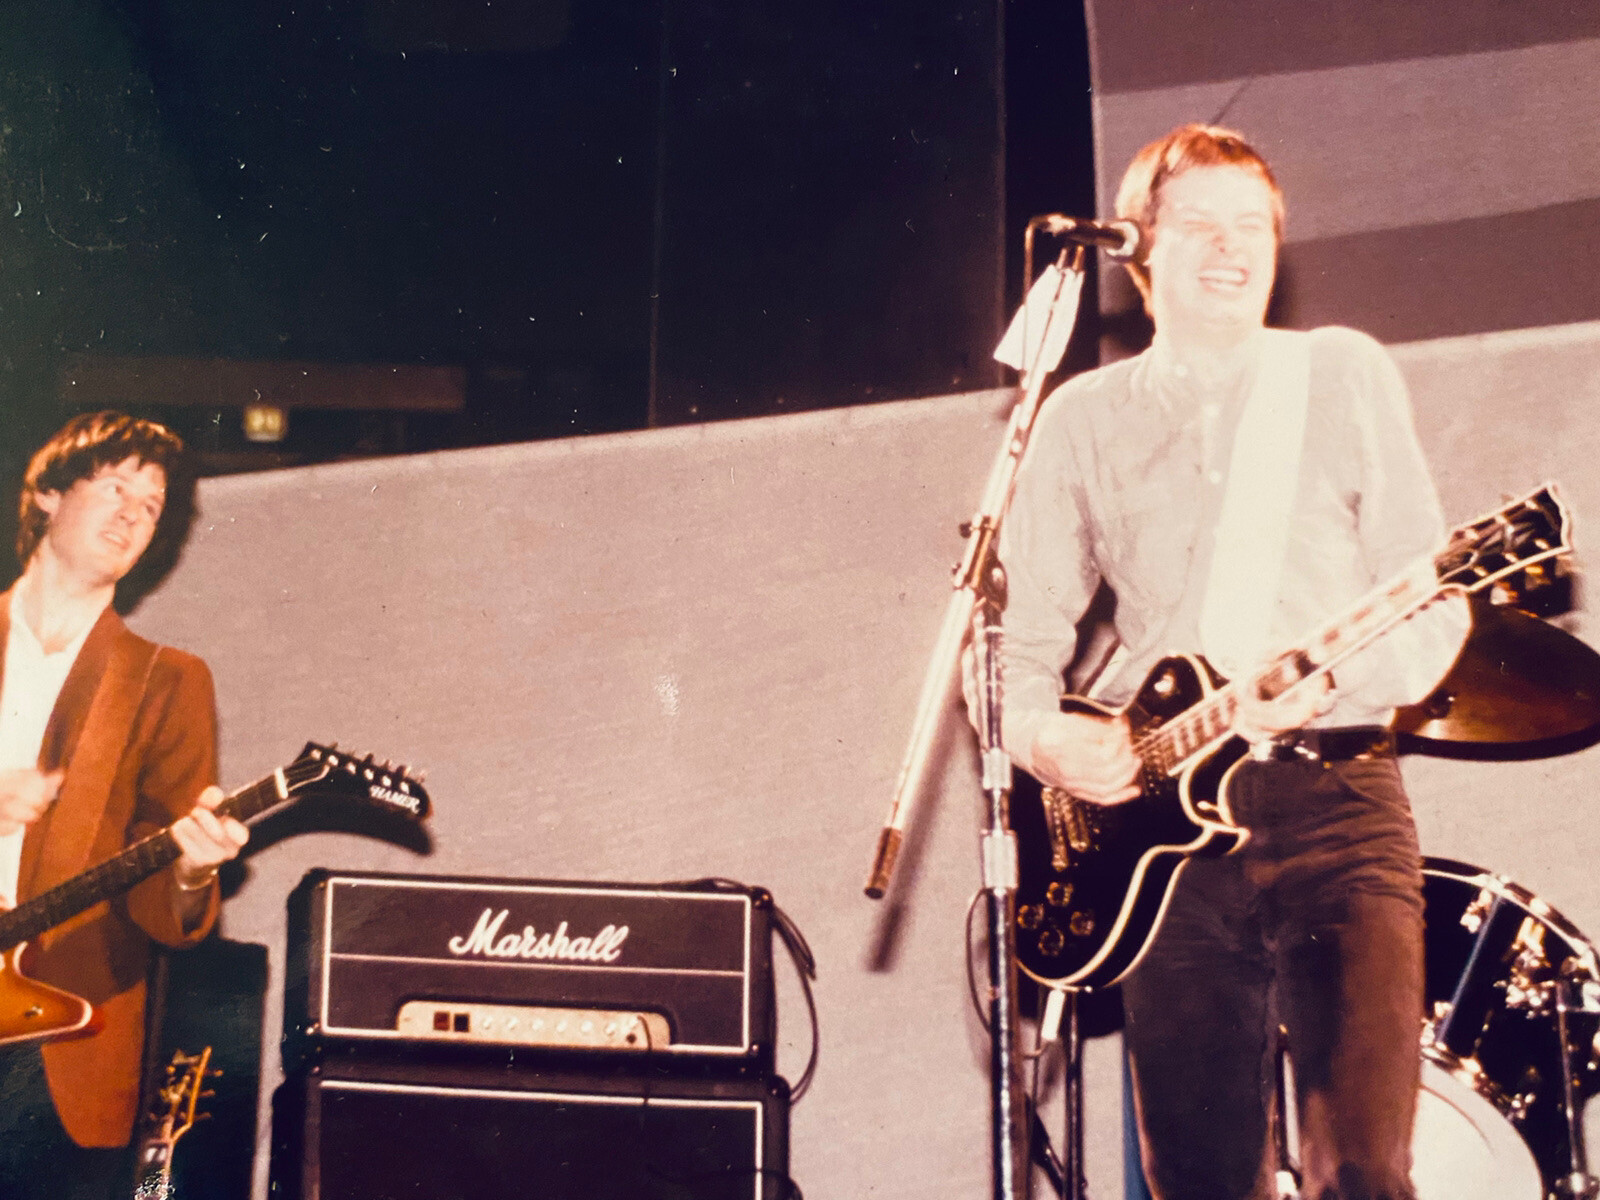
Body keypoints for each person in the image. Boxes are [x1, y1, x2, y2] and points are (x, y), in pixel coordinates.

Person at [994, 125, 1470, 1200]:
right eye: (1200, 226)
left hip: (1337, 805)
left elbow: (1434, 606)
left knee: (1364, 1171)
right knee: (1200, 1182)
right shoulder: (1080, 419)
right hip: (1159, 845)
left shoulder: (1337, 372)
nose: (1231, 248)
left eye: (1251, 226)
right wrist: (1044, 737)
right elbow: (1016, 648)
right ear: (1139, 250)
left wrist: (1336, 681)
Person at [0, 411, 249, 1198]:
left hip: (62, 1043)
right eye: (115, 488)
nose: (133, 515)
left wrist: (191, 873)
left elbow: (161, 905)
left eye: (152, 506)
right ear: (48, 493)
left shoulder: (167, 681)